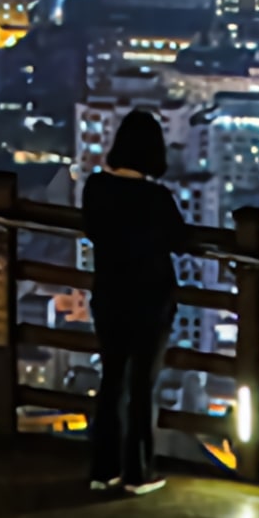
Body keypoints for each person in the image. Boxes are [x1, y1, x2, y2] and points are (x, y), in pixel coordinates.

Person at [80, 108, 181, 495]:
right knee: (142, 386)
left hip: (108, 294)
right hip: (150, 300)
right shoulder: (156, 198)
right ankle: (138, 471)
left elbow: (92, 228)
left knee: (112, 380)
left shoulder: (96, 187)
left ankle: (103, 468)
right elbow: (180, 240)